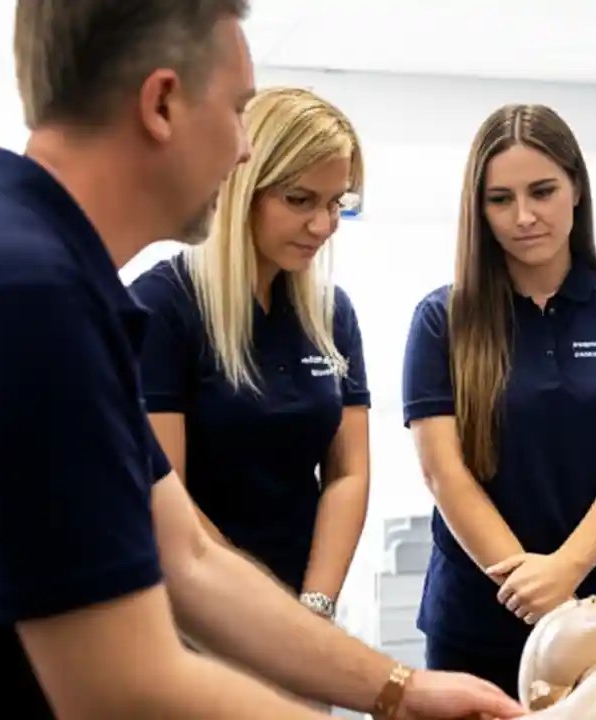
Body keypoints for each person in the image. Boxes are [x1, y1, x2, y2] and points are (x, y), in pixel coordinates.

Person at [0, 2, 525, 719]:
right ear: (160, 104)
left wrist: (397, 691)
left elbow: (190, 558)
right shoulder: (18, 298)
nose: (245, 149)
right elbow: (123, 688)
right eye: (239, 110)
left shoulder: (35, 275)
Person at [401, 103, 596, 698]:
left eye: (543, 191)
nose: (524, 216)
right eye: (500, 199)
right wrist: (537, 595)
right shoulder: (441, 319)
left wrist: (568, 574)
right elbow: (444, 471)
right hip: (478, 618)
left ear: (575, 187)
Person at [131, 86, 369, 623]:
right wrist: (263, 614)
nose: (323, 226)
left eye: (336, 203)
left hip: (302, 611)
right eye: (300, 200)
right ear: (242, 185)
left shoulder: (331, 315)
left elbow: (347, 474)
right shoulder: (162, 307)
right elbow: (168, 497)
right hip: (195, 613)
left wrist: (314, 605)